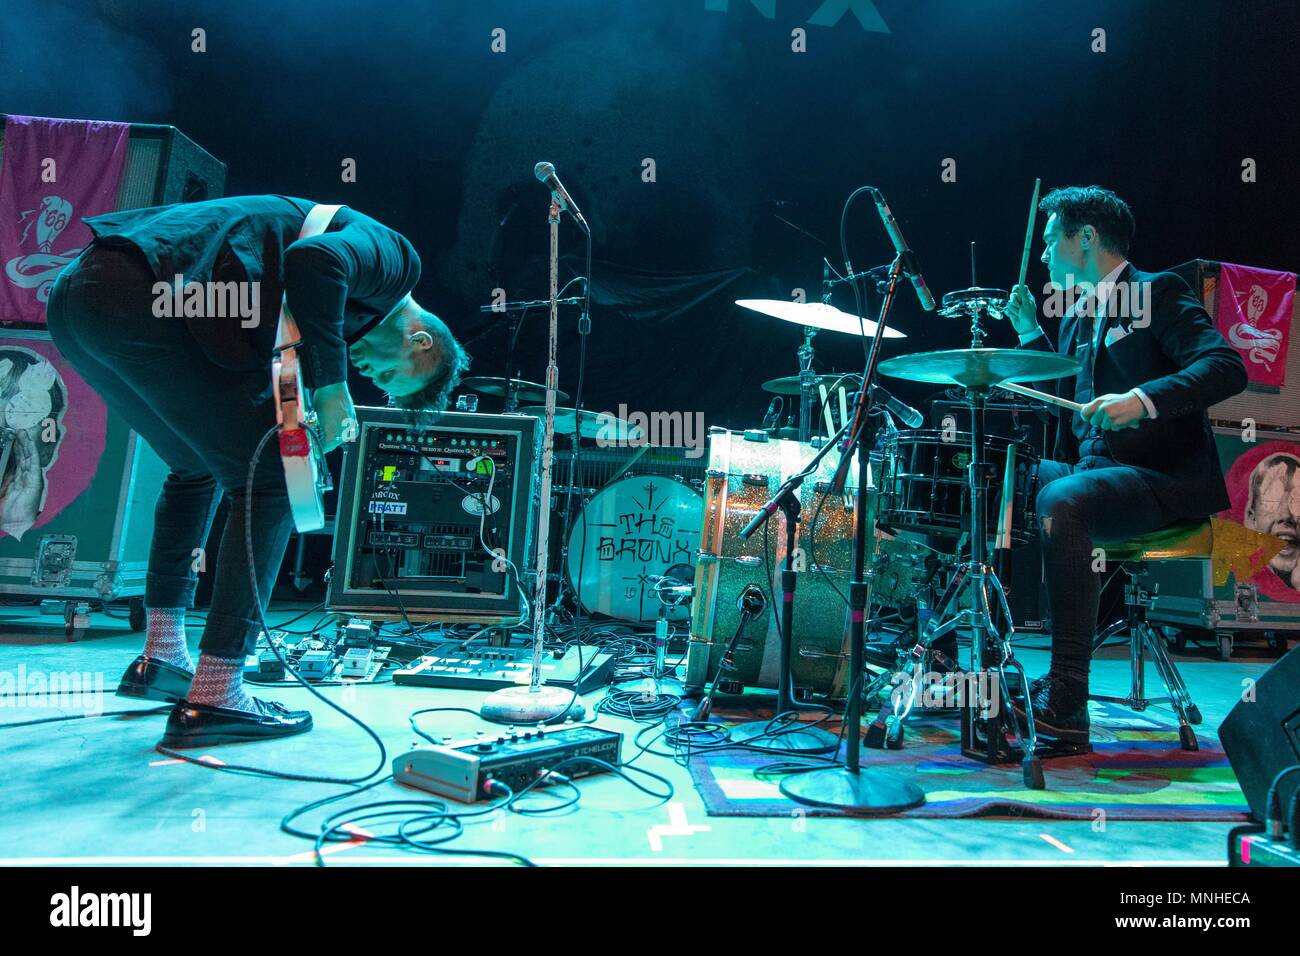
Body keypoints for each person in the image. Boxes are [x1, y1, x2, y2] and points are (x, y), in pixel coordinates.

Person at [45, 195, 468, 747]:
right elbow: (316, 261)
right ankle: (219, 690)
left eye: (381, 383)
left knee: (193, 466)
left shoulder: (340, 312)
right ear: (420, 340)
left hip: (83, 301)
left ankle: (163, 658)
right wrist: (332, 385)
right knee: (272, 484)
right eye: (390, 372)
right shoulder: (397, 263)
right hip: (138, 299)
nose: (373, 376)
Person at [1001, 185, 1247, 744]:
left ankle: (1066, 695)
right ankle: (956, 660)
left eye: (1049, 241)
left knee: (1061, 500)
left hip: (1162, 479)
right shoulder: (1074, 317)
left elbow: (1226, 366)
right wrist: (1026, 334)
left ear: (1085, 237)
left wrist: (1143, 399)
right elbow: (1069, 395)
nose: (1041, 256)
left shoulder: (1156, 292)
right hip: (1095, 472)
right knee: (1000, 477)